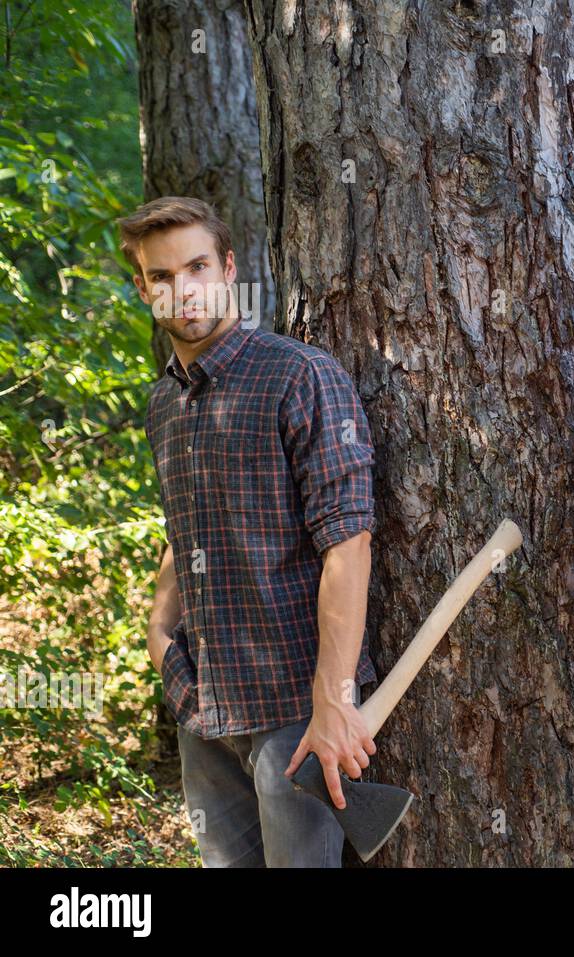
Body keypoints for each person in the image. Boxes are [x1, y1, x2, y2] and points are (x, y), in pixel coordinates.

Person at [121, 196, 378, 867]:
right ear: (143, 288)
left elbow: (348, 542)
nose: (184, 289)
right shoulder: (162, 403)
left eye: (198, 266)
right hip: (205, 703)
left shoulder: (299, 376)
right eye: (162, 276)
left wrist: (334, 699)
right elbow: (182, 525)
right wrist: (159, 631)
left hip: (295, 707)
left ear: (229, 267)